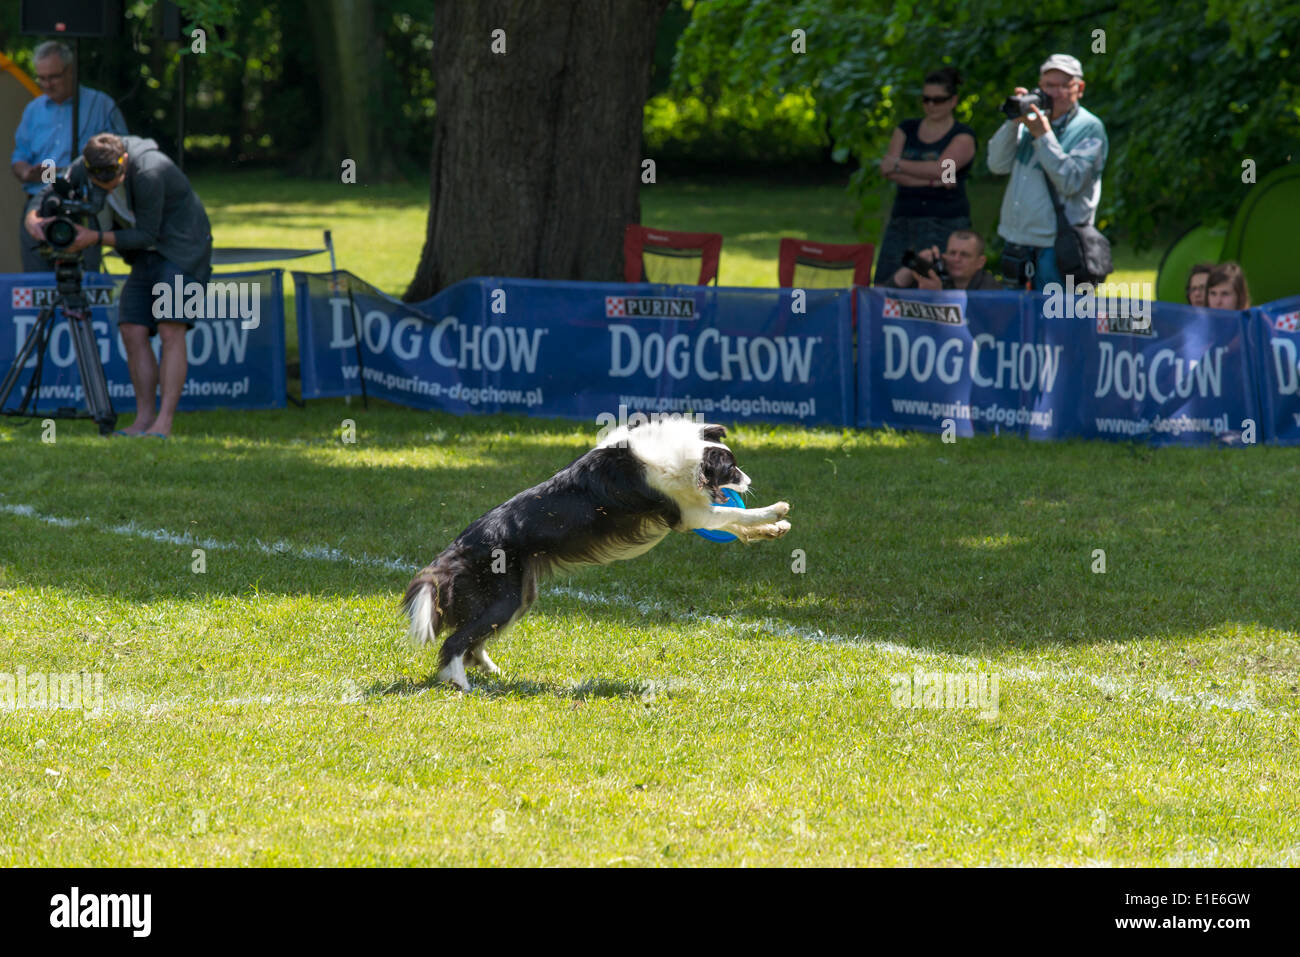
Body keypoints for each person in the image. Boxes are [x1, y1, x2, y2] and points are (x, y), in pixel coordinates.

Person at [24, 133, 213, 438]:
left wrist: (93, 237)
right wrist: (33, 218)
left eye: (113, 178)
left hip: (185, 249)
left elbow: (147, 233)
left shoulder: (151, 170)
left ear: (123, 161)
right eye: (100, 181)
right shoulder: (87, 165)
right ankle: (142, 420)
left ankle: (163, 424)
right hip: (145, 255)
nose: (108, 185)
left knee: (170, 328)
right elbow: (49, 189)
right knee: (132, 329)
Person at [986, 54, 1107, 291]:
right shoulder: (1029, 123)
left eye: (1064, 85)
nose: (1055, 92)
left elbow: (1070, 181)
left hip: (1058, 248)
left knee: (1059, 324)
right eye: (1049, 86)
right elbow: (997, 164)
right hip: (1018, 243)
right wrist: (1013, 121)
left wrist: (1043, 135)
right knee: (1019, 323)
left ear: (1079, 88)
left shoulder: (1089, 127)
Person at [10, 40, 126, 272]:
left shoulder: (100, 104)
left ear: (71, 71)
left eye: (53, 77)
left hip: (82, 205)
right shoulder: (34, 110)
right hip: (40, 206)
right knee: (37, 281)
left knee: (85, 279)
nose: (47, 85)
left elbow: (122, 154)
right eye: (41, 78)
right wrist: (26, 171)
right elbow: (19, 156)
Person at [873, 66, 978, 285]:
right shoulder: (906, 128)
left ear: (953, 101)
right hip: (903, 218)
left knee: (934, 281)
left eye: (938, 100)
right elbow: (887, 170)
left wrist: (899, 164)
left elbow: (943, 169)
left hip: (944, 221)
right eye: (926, 99)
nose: (931, 105)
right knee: (887, 282)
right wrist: (933, 180)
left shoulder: (963, 135)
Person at [889, 229, 999, 290]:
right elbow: (886, 294)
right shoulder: (938, 274)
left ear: (980, 262)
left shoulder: (990, 289)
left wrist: (939, 297)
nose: (956, 259)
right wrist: (915, 265)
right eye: (952, 253)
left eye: (964, 255)